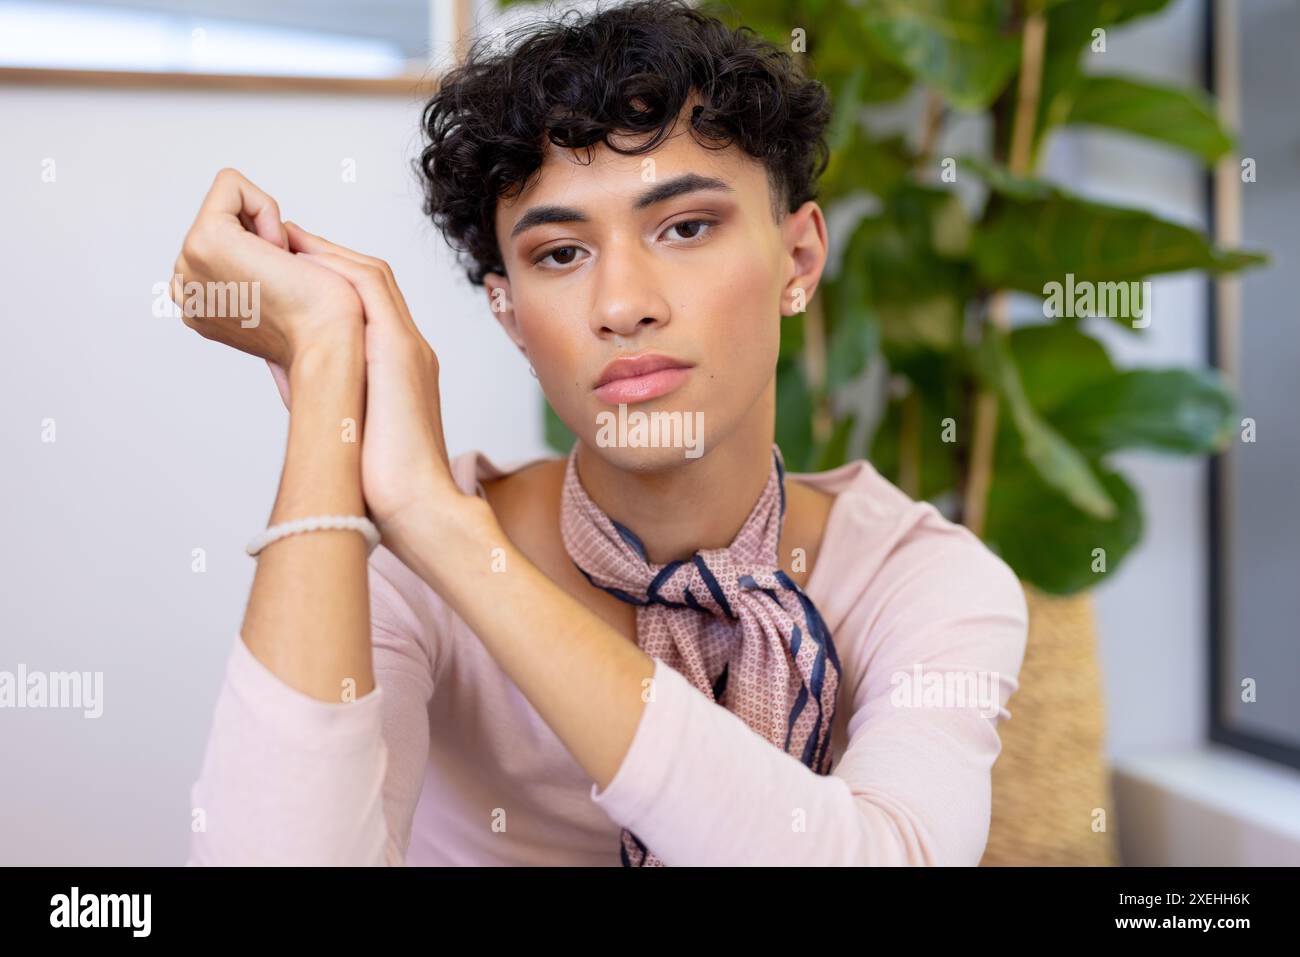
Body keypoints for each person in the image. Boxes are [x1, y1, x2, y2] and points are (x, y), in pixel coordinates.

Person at [180, 0, 1027, 866]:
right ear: (509, 312)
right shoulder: (408, 570)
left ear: (799, 261)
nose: (623, 304)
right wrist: (328, 362)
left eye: (687, 227)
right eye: (560, 254)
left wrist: (447, 530)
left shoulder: (919, 579)